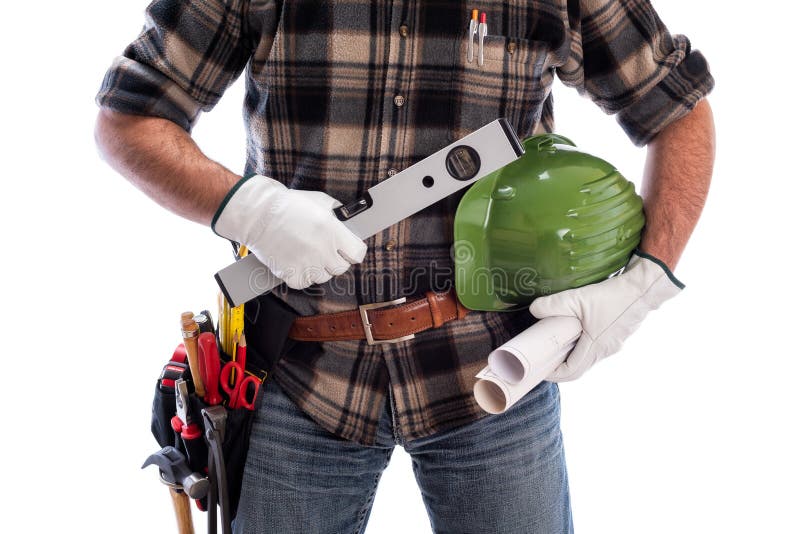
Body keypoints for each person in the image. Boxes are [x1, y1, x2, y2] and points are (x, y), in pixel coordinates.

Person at [95, 1, 715, 532]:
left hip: (495, 369)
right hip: (298, 374)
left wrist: (645, 281)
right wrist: (250, 210)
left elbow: (678, 109)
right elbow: (128, 118)